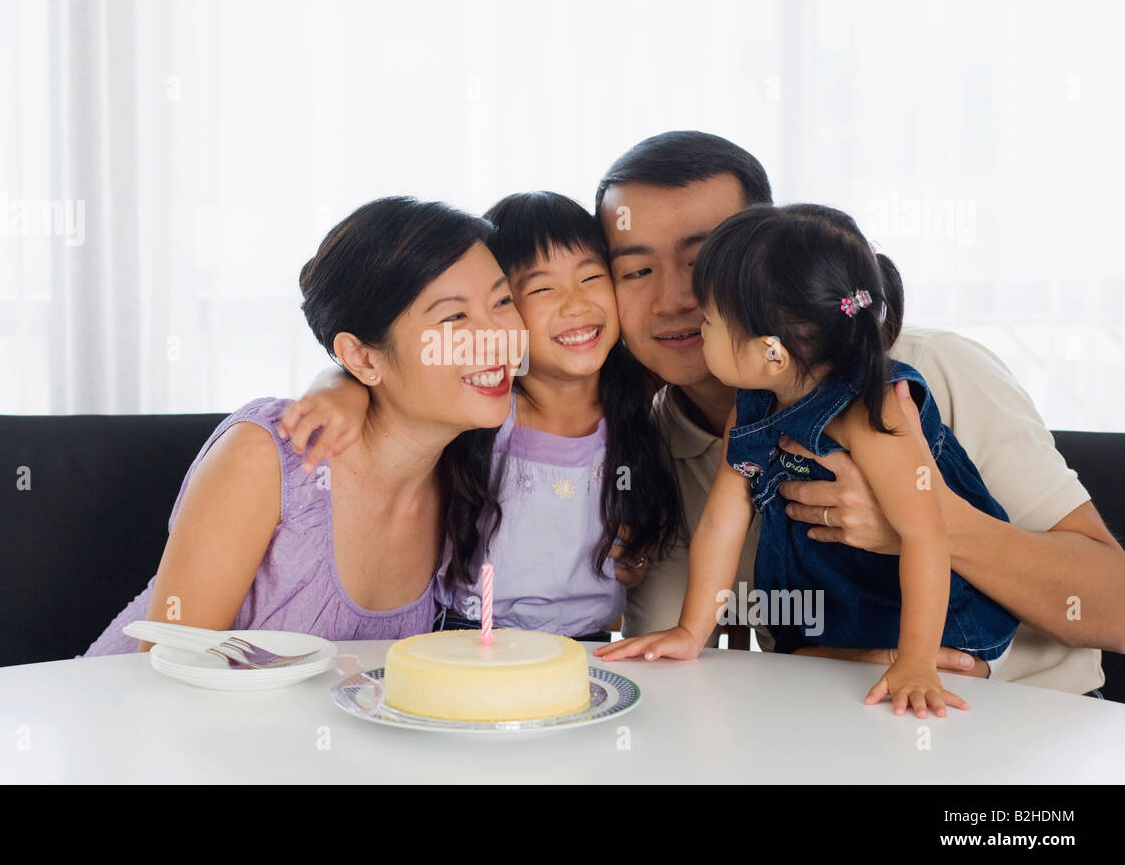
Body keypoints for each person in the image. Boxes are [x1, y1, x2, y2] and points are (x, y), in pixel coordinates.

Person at [595, 131, 1125, 695]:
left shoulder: (917, 376)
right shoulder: (648, 437)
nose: (676, 298)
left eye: (704, 267)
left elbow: (1115, 609)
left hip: (1034, 728)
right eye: (636, 271)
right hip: (842, 725)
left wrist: (919, 519)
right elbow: (667, 666)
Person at [597, 203, 1020, 717]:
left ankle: (931, 659)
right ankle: (861, 657)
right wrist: (692, 630)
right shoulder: (751, 405)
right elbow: (721, 524)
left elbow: (925, 533)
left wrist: (914, 662)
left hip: (918, 603)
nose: (698, 328)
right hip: (829, 592)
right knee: (806, 663)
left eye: (709, 320)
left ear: (771, 352)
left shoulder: (872, 408)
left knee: (931, 663)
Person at [80, 196, 524, 655]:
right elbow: (165, 674)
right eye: (455, 317)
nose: (499, 337)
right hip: (126, 717)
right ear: (363, 357)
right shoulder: (265, 456)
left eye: (502, 300)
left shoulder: (462, 476)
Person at [282, 192, 682, 642]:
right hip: (469, 633)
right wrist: (336, 386)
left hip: (585, 642)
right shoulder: (483, 405)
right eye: (541, 288)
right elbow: (387, 374)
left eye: (591, 277)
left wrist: (640, 552)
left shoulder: (639, 399)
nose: (575, 303)